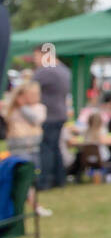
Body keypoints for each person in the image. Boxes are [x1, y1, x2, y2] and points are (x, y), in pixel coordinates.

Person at [3, 82, 52, 216]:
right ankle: (34, 206)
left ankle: (32, 206)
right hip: (17, 149)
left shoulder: (38, 108)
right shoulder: (12, 109)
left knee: (32, 179)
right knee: (21, 180)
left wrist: (23, 107)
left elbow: (35, 120)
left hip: (33, 148)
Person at [31, 45, 69, 190]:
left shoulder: (45, 71)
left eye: (36, 56)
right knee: (55, 148)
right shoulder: (63, 69)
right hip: (60, 113)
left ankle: (45, 182)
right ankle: (60, 179)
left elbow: (27, 88)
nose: (35, 60)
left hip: (49, 115)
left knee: (45, 149)